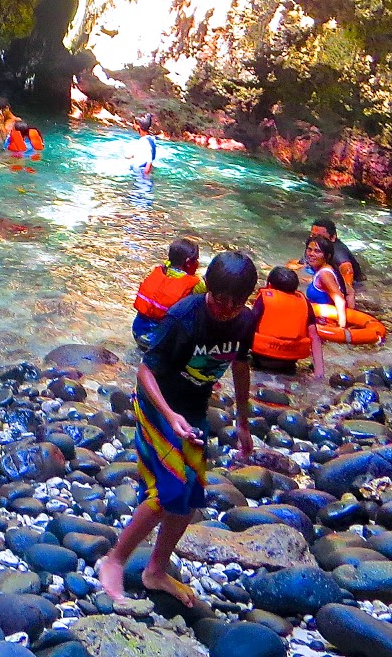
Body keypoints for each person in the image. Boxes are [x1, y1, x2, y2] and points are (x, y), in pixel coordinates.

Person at [98, 251, 258, 607]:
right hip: (158, 408)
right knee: (166, 494)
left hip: (194, 410)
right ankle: (114, 560)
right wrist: (170, 415)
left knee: (188, 499)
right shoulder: (184, 317)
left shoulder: (245, 320)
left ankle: (155, 571)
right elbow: (145, 371)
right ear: (207, 289)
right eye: (219, 299)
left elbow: (241, 365)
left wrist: (243, 422)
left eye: (235, 303)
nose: (226, 308)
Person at [251, 266, 325, 380]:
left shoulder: (265, 298)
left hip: (262, 360)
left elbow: (249, 325)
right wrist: (319, 372)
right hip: (289, 362)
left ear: (269, 284)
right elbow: (314, 337)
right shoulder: (303, 301)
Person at [131, 239, 203, 351]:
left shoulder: (160, 271)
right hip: (160, 341)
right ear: (189, 263)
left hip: (138, 332)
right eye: (196, 260)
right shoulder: (196, 284)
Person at [309, 218, 362, 310]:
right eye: (313, 235)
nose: (316, 239)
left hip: (357, 285)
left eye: (320, 237)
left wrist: (343, 289)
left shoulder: (337, 251)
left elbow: (347, 269)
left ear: (333, 238)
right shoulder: (313, 246)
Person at [303, 236, 348, 333]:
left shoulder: (324, 274)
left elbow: (340, 300)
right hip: (319, 319)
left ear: (327, 256)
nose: (311, 254)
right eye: (309, 250)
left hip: (325, 323)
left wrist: (341, 328)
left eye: (317, 251)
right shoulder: (322, 270)